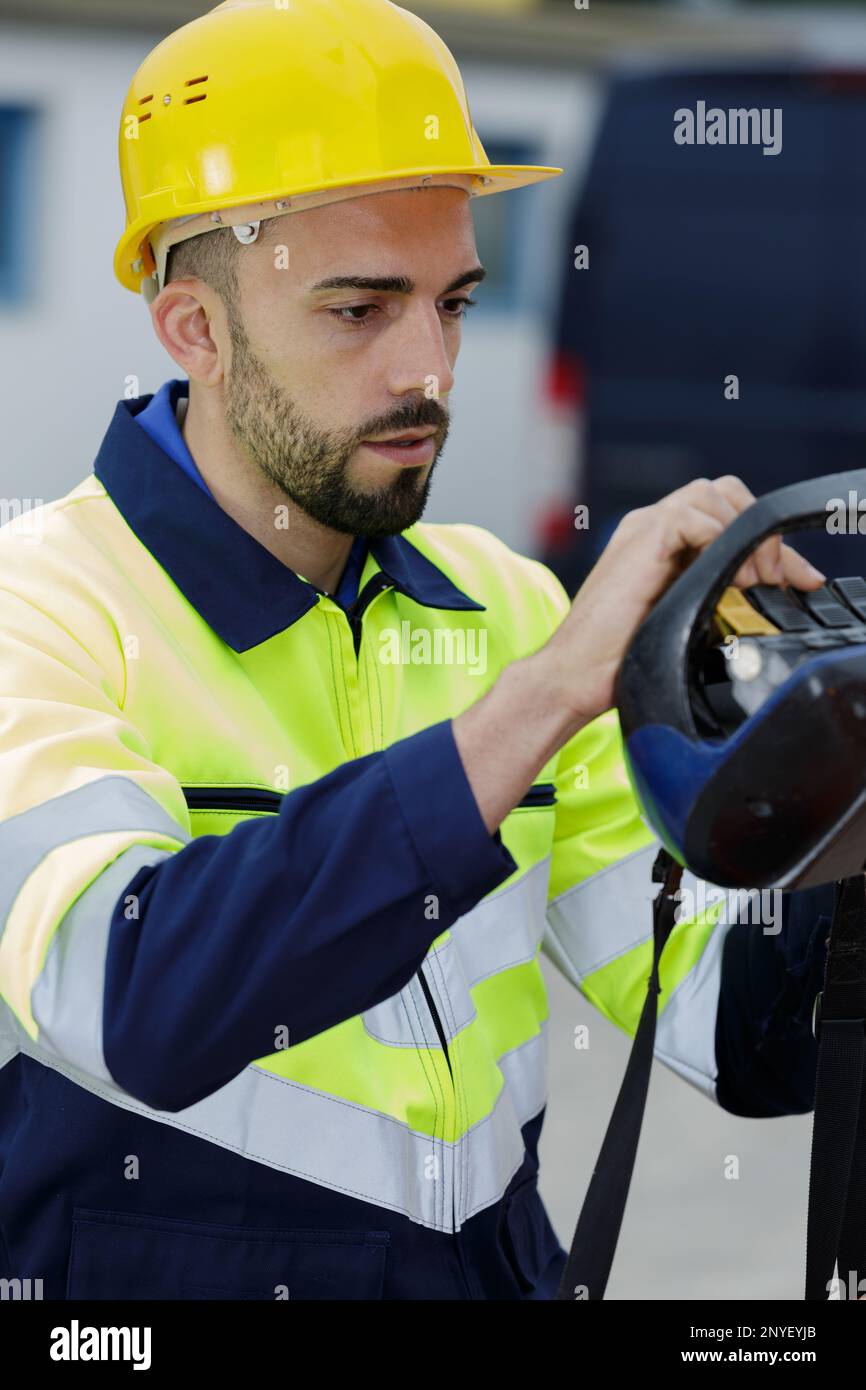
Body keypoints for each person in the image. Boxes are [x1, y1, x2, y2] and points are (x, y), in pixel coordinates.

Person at [0, 0, 833, 1301]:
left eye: (451, 302)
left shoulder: (503, 603)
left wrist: (833, 793)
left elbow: (738, 1033)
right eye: (358, 310)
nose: (430, 367)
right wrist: (543, 701)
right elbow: (137, 998)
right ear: (193, 333)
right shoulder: (39, 606)